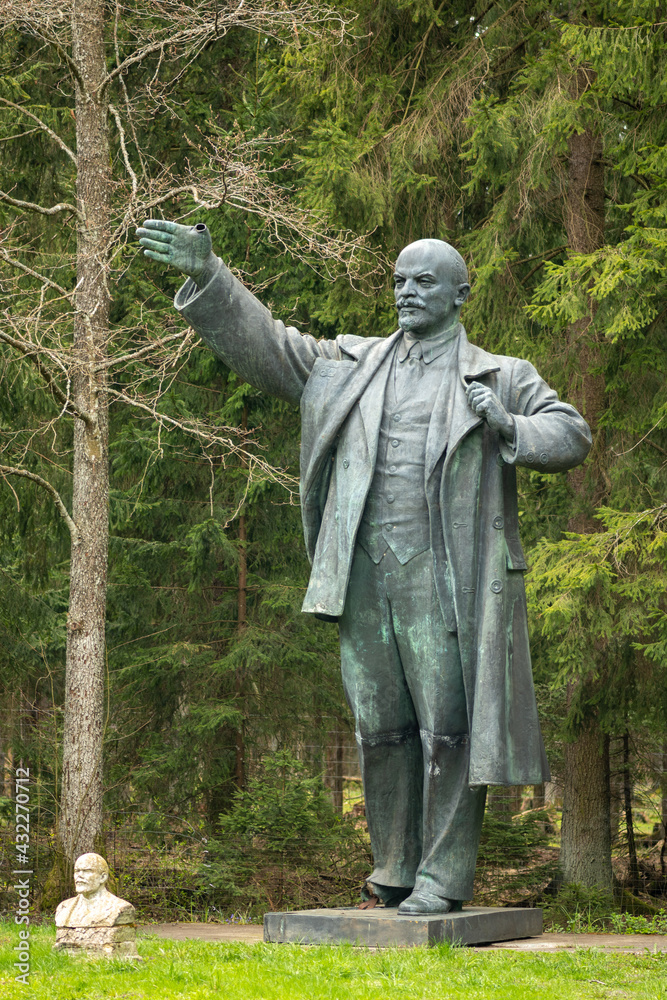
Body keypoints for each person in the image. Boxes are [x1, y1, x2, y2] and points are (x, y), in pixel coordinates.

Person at [136, 221, 592, 914]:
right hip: (364, 570)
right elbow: (269, 348)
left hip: (447, 577)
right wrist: (211, 278)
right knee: (379, 730)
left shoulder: (501, 375)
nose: (407, 292)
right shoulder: (352, 363)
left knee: (449, 731)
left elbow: (571, 433)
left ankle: (442, 880)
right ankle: (394, 870)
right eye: (400, 281)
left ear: (460, 294)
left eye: (424, 282)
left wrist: (507, 424)